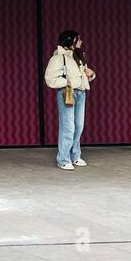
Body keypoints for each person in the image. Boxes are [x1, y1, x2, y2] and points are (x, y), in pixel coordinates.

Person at [44, 29, 96, 171]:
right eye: (78, 39)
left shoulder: (78, 56)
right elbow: (50, 79)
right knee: (68, 127)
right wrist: (69, 83)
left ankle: (75, 155)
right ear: (71, 40)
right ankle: (63, 159)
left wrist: (90, 74)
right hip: (67, 93)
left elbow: (82, 75)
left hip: (81, 94)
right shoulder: (58, 58)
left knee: (78, 126)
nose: (80, 41)